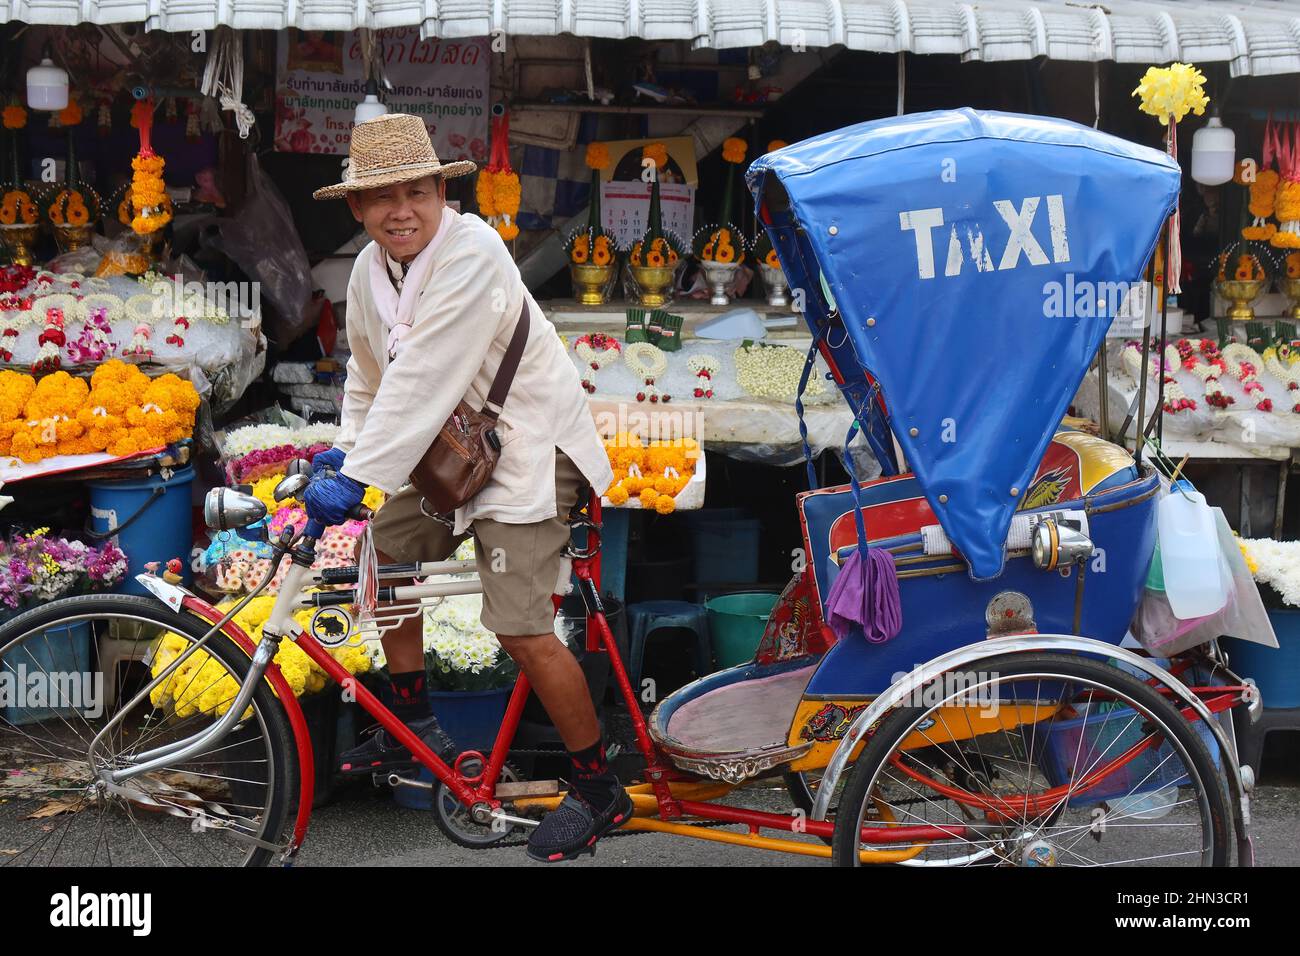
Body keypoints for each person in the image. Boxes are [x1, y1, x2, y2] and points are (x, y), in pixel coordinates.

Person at [306, 113, 628, 862]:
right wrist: (344, 450)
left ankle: (595, 786)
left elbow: (424, 379)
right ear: (357, 208)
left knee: (516, 627)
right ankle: (414, 723)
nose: (400, 211)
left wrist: (358, 477)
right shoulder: (367, 271)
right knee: (383, 556)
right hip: (449, 449)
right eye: (381, 198)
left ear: (442, 192)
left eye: (415, 192)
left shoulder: (473, 249)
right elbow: (369, 376)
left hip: (528, 448)